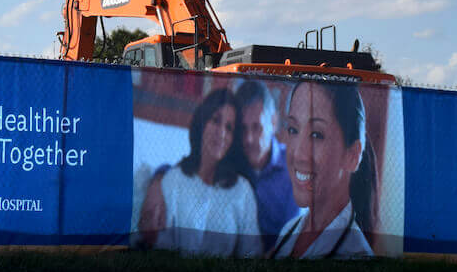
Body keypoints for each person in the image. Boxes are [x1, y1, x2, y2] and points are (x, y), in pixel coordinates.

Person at [138, 88, 260, 256]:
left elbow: (251, 254)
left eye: (229, 128)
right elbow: (161, 249)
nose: (222, 133)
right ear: (201, 124)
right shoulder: (174, 180)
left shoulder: (242, 191)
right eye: (216, 120)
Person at [270, 80, 376, 259]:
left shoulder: (355, 256)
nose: (298, 154)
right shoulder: (289, 231)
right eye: (293, 130)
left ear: (352, 156)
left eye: (316, 135)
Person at [233, 79, 296, 255]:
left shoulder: (294, 169)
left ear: (274, 123)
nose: (249, 139)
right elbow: (194, 167)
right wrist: (161, 176)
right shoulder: (229, 160)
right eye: (243, 129)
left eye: (257, 127)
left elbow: (291, 240)